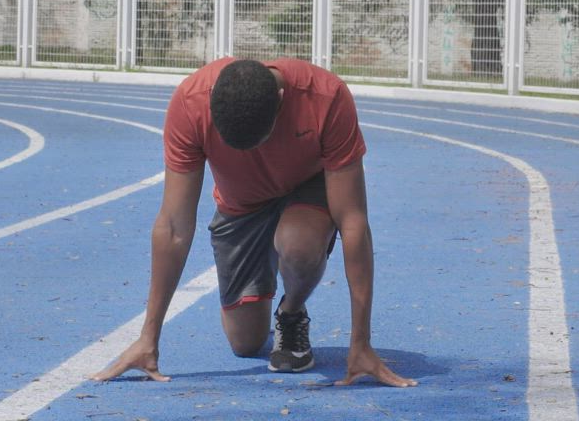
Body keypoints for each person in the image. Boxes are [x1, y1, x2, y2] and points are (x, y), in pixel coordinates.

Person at [93, 57, 416, 388]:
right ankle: (263, 287)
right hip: (242, 203)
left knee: (297, 245)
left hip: (307, 188)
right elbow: (174, 226)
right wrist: (148, 337)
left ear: (280, 101)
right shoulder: (190, 103)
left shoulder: (326, 97)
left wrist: (360, 342)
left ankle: (291, 312)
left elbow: (353, 222)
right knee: (245, 344)